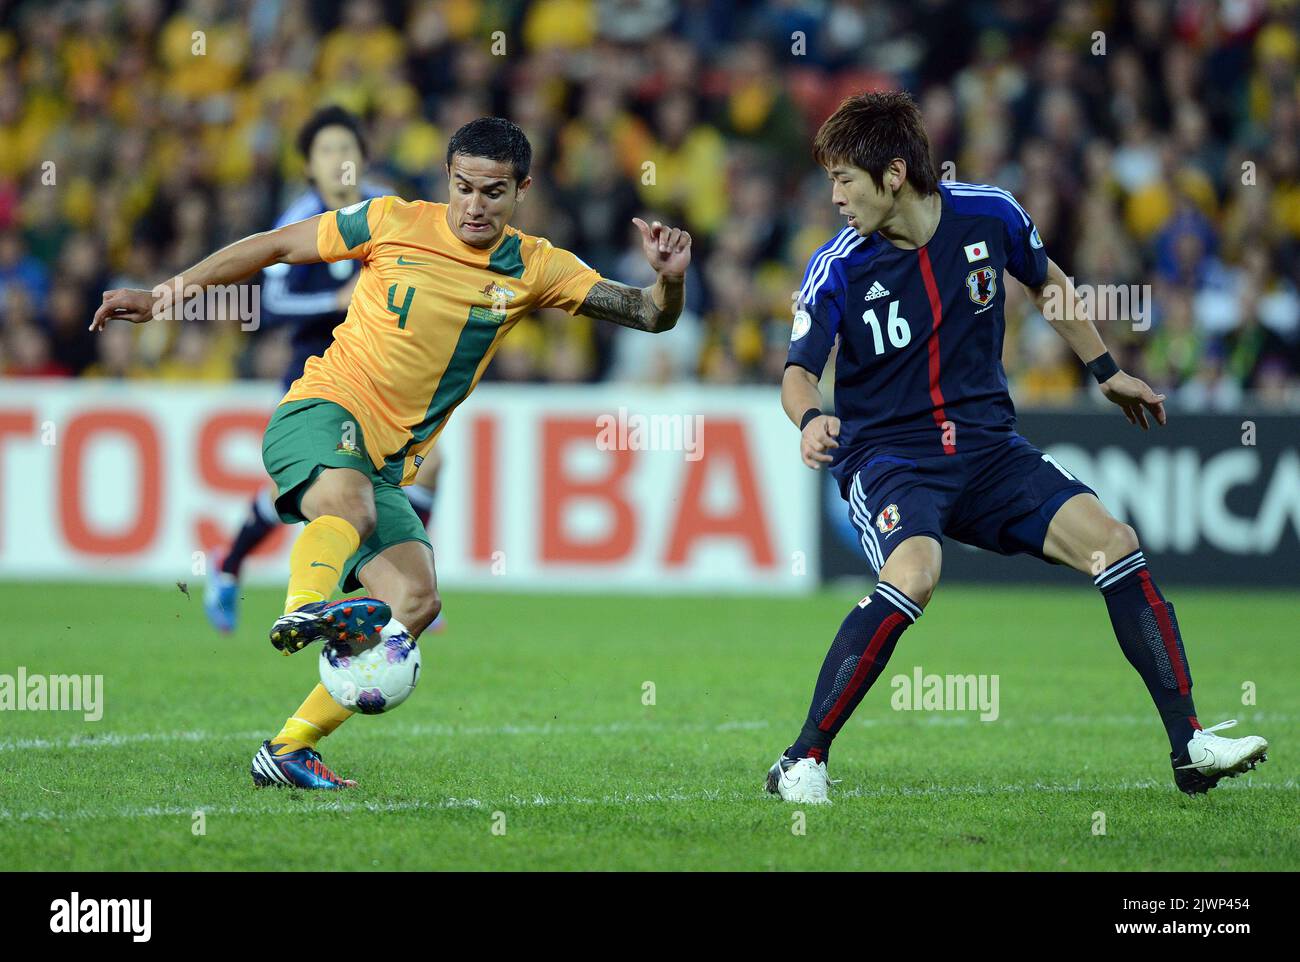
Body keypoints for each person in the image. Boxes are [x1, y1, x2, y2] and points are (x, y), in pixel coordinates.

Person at [93, 117, 692, 790]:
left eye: (493, 192)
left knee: (416, 598)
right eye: (463, 187)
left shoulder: (536, 267)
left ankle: (289, 748)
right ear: (447, 180)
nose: (474, 205)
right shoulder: (388, 219)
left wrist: (669, 282)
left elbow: (647, 313)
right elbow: (275, 247)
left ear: (522, 190)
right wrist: (163, 295)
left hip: (383, 464)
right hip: (320, 411)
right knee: (351, 504)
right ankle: (304, 605)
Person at [766, 91, 1267, 804]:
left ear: (895, 173)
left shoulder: (991, 213)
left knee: (1114, 541)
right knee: (915, 573)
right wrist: (811, 417)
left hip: (989, 452)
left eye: (845, 178)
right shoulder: (839, 265)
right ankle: (802, 759)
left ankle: (1189, 745)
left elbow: (1049, 284)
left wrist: (1108, 370)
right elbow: (794, 373)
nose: (836, 196)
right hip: (891, 459)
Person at [202, 105, 445, 635]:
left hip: (382, 375)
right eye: (327, 150)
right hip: (319, 372)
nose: (340, 160)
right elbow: (272, 302)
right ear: (309, 166)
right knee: (319, 486)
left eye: (348, 149)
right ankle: (230, 566)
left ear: (364, 158)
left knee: (429, 463)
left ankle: (401, 584)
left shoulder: (387, 210)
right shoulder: (300, 218)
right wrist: (338, 298)